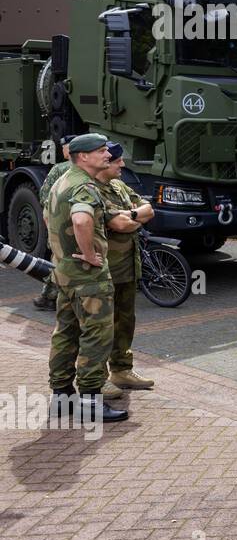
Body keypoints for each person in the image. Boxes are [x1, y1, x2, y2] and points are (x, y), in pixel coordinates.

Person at [46, 133, 128, 422]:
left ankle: (62, 398)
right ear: (83, 156)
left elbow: (49, 219)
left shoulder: (61, 181)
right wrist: (90, 254)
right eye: (102, 151)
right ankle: (91, 404)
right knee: (96, 336)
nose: (107, 155)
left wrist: (64, 253)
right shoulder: (84, 186)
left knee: (65, 334)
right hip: (88, 277)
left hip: (65, 273)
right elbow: (81, 220)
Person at [94, 142, 156, 391]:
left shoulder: (118, 186)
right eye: (117, 161)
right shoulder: (93, 189)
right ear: (104, 163)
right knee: (100, 325)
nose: (122, 164)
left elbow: (149, 210)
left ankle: (122, 370)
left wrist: (130, 216)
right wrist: (132, 217)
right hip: (103, 268)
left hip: (128, 266)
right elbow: (119, 225)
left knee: (126, 320)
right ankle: (97, 378)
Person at [34, 135, 76, 310]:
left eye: (64, 147)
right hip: (84, 221)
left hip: (61, 223)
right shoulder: (92, 168)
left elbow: (44, 195)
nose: (62, 150)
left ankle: (49, 296)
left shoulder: (59, 169)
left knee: (58, 258)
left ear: (69, 149)